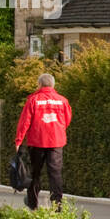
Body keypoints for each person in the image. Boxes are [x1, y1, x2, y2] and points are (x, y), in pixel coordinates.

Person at [14, 72, 72, 210]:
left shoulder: (33, 100)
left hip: (37, 142)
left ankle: (33, 205)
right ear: (53, 85)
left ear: (39, 84)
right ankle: (57, 206)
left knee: (35, 174)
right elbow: (67, 119)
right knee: (55, 174)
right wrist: (58, 130)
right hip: (56, 142)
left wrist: (18, 140)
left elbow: (24, 122)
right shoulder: (62, 100)